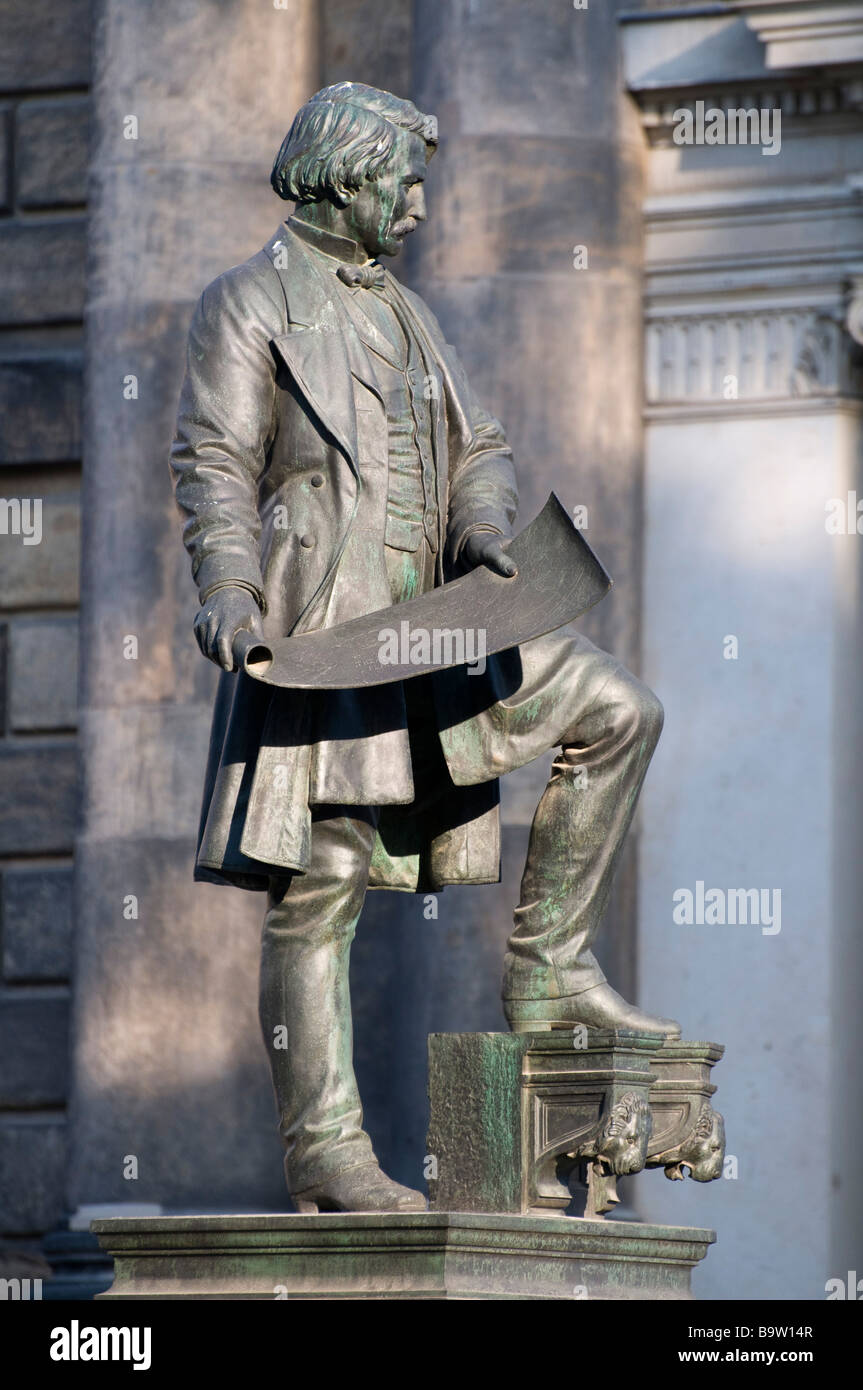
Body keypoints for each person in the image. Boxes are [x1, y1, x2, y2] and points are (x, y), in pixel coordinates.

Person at [170, 82, 678, 1214]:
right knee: (325, 881)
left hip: (445, 616)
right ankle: (327, 1152)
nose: (413, 206)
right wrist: (230, 595)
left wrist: (484, 526)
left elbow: (476, 442)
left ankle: (547, 965)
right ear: (345, 180)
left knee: (617, 709)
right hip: (331, 627)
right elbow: (212, 464)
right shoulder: (246, 304)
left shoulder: (405, 311)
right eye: (400, 184)